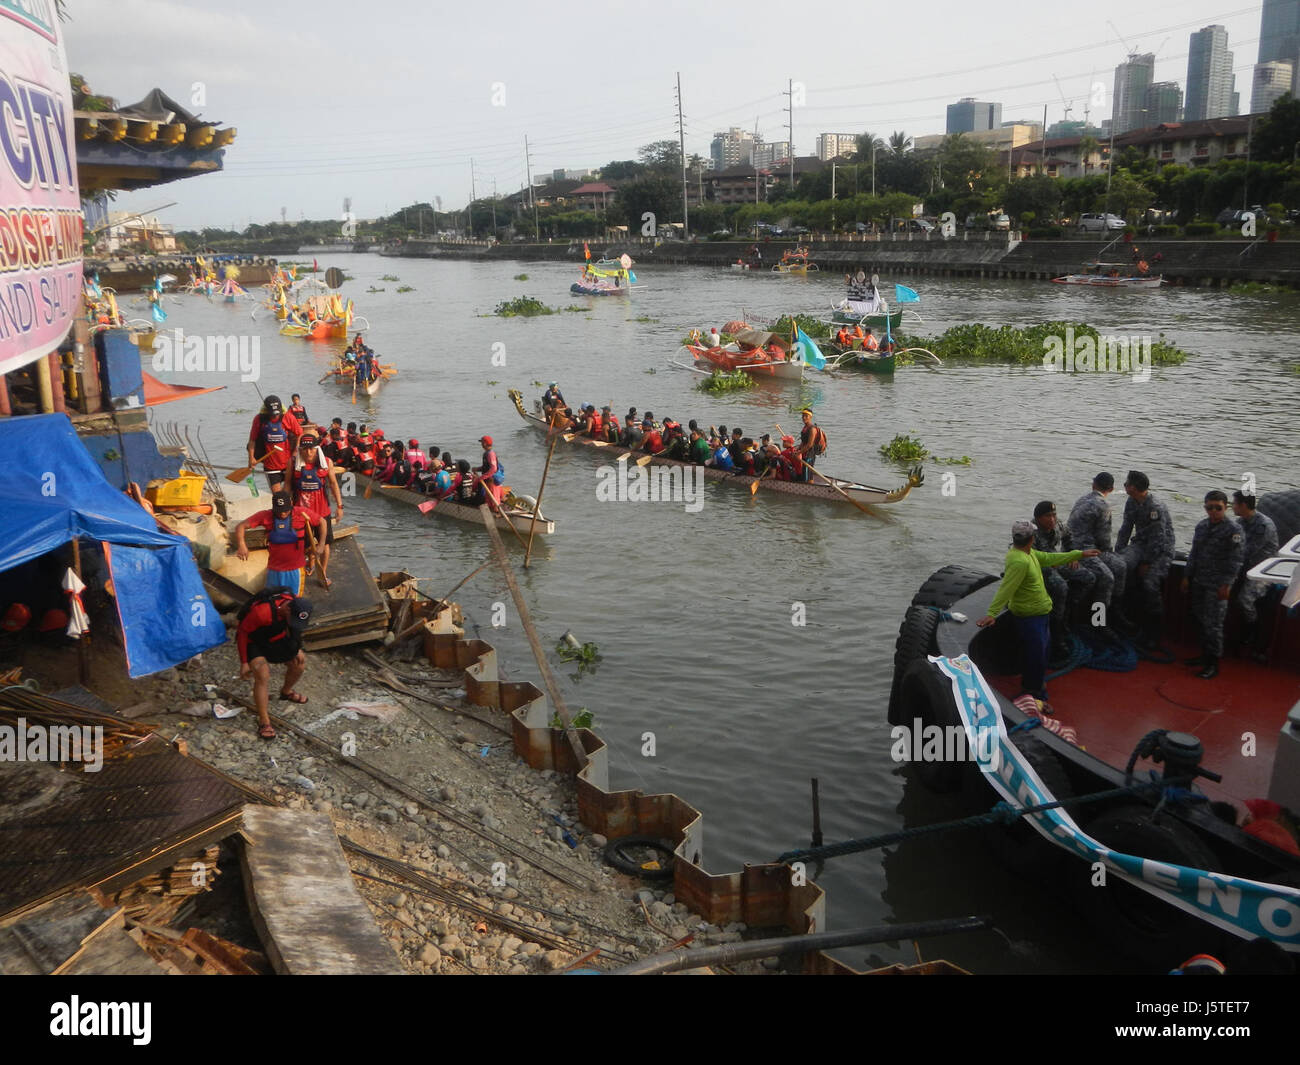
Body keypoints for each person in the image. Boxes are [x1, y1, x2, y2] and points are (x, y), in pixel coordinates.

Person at [978, 519, 1099, 701]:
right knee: (1035, 657)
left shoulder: (1028, 553)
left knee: (1042, 654)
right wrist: (992, 613)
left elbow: (1049, 558)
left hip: (1040, 614)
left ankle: (1036, 688)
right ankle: (1034, 695)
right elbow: (1007, 588)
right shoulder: (1019, 561)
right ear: (1032, 538)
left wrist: (1078, 554)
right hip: (1029, 617)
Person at [1182, 490, 1245, 679]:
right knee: (1201, 620)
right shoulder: (1201, 526)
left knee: (1214, 625)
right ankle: (1204, 656)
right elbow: (1194, 553)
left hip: (1217, 586)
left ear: (1225, 508)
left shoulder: (1234, 531)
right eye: (1209, 507)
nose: (1213, 511)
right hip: (1200, 581)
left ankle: (1213, 663)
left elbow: (1236, 560)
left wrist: (1227, 584)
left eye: (1218, 508)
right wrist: (1186, 577)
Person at [236, 590, 314, 739]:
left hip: (276, 637)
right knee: (262, 675)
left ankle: (286, 692)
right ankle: (264, 720)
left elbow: (294, 630)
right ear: (287, 609)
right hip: (255, 642)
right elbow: (243, 633)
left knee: (299, 665)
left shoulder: (296, 605)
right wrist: (244, 662)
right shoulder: (262, 613)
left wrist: (296, 649)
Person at [1116, 470, 1176, 647]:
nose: (1125, 486)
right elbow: (1126, 528)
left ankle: (1153, 633)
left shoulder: (1155, 507)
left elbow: (1158, 538)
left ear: (1133, 487)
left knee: (1150, 583)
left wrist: (1147, 563)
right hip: (1141, 543)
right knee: (1122, 566)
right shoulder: (1131, 502)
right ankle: (1127, 619)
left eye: (1126, 484)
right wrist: (1119, 551)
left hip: (1161, 549)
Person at [1067, 472, 1132, 635]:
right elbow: (1104, 540)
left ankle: (1114, 612)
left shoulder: (1083, 499)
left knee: (1120, 566)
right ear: (1111, 489)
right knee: (1108, 576)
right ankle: (1099, 622)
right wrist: (1110, 554)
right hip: (1084, 551)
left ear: (1093, 485)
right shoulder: (1103, 506)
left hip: (1074, 548)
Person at [1032, 500, 1095, 663]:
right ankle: (1057, 633)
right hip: (1039, 566)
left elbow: (1069, 538)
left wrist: (1073, 554)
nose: (1052, 519)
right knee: (1060, 587)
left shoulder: (1059, 525)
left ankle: (1068, 613)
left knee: (1088, 577)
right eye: (1047, 516)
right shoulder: (1031, 532)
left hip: (1057, 561)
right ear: (1038, 518)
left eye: (1053, 515)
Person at [234, 491, 326, 597]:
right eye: (279, 511)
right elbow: (240, 526)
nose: (282, 514)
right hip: (274, 569)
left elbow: (322, 522)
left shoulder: (301, 513)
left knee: (293, 602)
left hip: (296, 569)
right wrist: (242, 544)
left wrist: (321, 544)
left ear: (291, 504)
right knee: (273, 600)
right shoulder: (265, 515)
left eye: (285, 511)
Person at [1231, 491, 1279, 657]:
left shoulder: (1263, 525)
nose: (1232, 506)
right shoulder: (1240, 522)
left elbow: (1247, 551)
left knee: (1245, 600)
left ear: (1243, 505)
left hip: (1263, 571)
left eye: (1235, 503)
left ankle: (1252, 632)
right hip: (1244, 568)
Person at [291, 435, 342, 590]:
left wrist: (340, 506)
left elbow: (333, 484)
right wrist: (286, 508)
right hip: (302, 513)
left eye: (311, 448)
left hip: (322, 511)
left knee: (325, 544)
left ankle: (323, 572)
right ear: (301, 449)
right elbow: (287, 485)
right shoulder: (293, 463)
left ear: (317, 448)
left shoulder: (326, 463)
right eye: (305, 449)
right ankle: (311, 564)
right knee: (304, 544)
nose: (308, 452)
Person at [247, 395, 302, 490]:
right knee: (278, 498)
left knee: (290, 496)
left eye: (277, 413)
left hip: (288, 464)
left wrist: (296, 450)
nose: (275, 416)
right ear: (267, 410)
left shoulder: (288, 417)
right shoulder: (259, 419)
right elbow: (252, 440)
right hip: (271, 466)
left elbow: (300, 433)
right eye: (273, 414)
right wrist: (251, 458)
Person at [476, 435, 504, 504]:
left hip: (491, 480)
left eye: (482, 443)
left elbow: (493, 469)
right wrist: (477, 469)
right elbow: (486, 467)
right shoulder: (487, 453)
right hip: (488, 479)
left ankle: (494, 510)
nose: (481, 445)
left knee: (493, 499)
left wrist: (482, 477)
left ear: (485, 443)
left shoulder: (490, 454)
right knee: (487, 498)